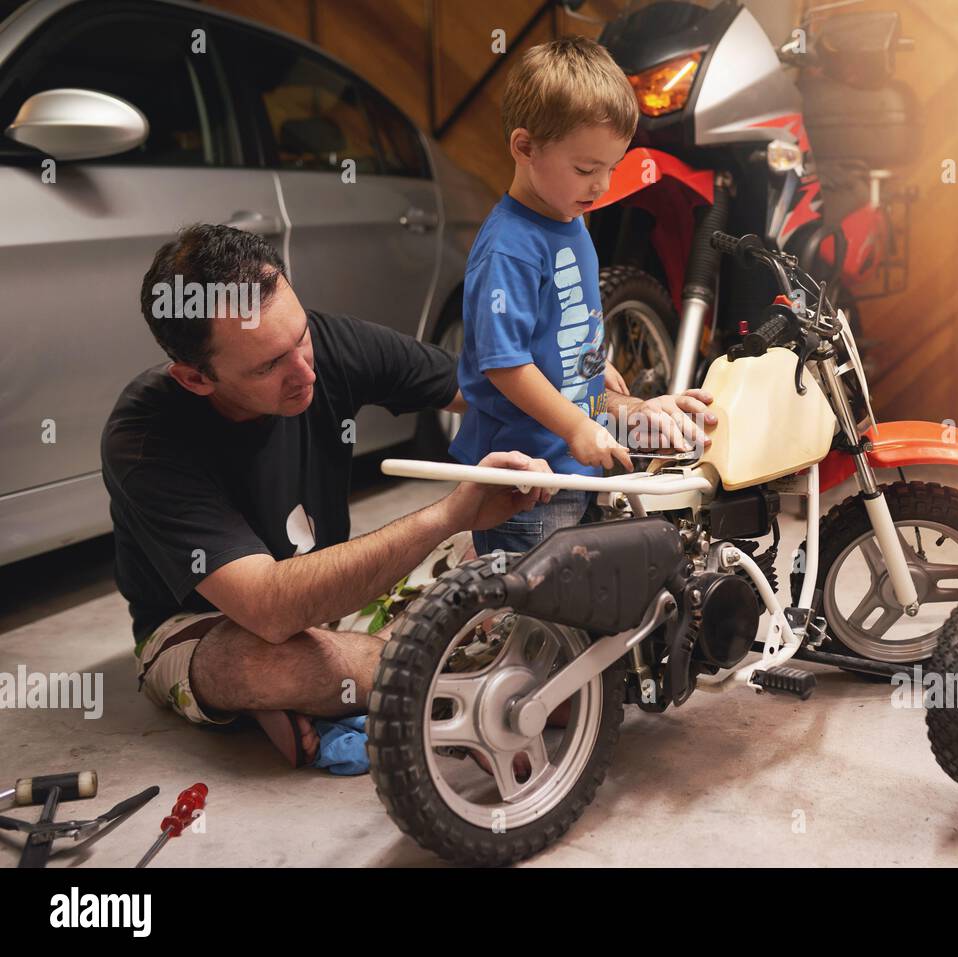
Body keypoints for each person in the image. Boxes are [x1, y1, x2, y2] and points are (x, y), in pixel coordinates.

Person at [101, 224, 553, 767]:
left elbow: (494, 390)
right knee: (258, 666)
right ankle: (456, 688)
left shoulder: (321, 344)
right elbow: (267, 608)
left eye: (299, 337)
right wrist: (447, 515)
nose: (303, 371)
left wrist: (619, 408)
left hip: (331, 601)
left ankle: (345, 692)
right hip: (210, 624)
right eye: (269, 365)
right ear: (196, 379)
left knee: (509, 549)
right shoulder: (146, 437)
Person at [451, 35, 715, 557]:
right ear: (524, 148)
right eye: (585, 169)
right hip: (527, 484)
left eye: (612, 168)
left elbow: (566, 318)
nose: (601, 185)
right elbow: (503, 365)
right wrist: (576, 426)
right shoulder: (510, 248)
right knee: (532, 619)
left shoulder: (567, 217)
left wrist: (592, 367)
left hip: (575, 464)